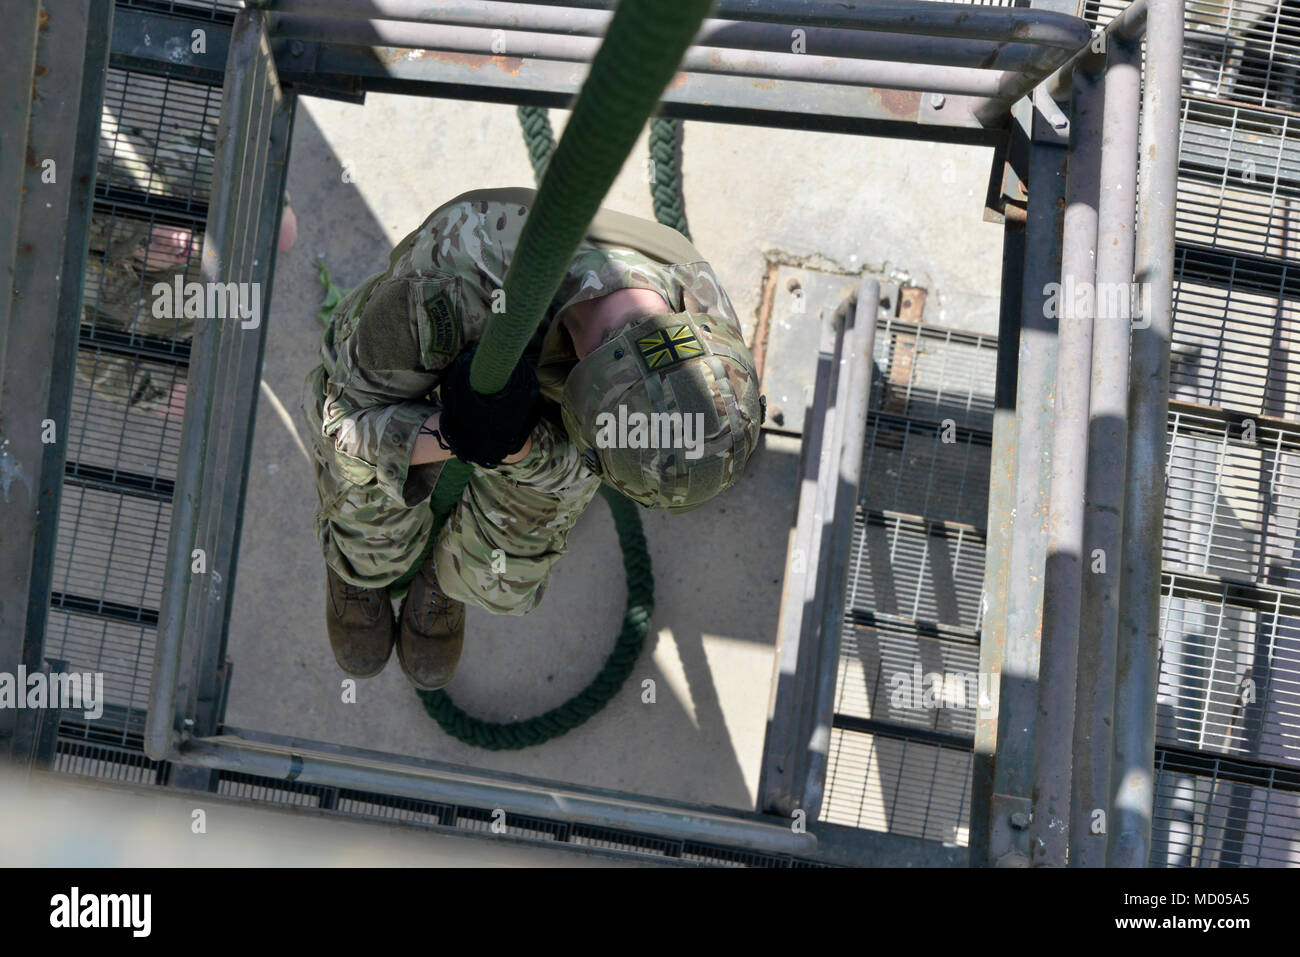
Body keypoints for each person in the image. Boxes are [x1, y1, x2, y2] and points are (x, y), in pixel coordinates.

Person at [303, 187, 764, 690]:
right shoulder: (450, 276)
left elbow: (579, 466)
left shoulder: (709, 348)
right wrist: (454, 434)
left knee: (508, 565)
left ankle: (453, 575)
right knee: (361, 499)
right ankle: (360, 568)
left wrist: (518, 444)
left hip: (565, 408)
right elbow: (344, 419)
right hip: (446, 342)